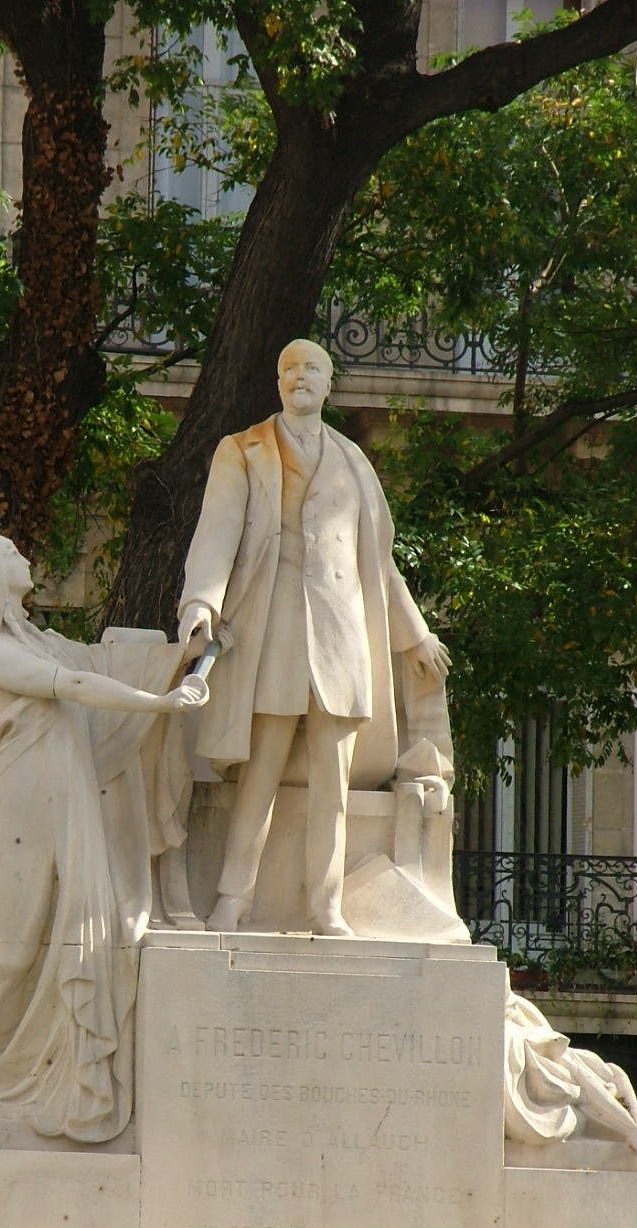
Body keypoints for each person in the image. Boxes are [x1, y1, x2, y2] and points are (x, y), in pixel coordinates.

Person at [0, 526, 207, 1143]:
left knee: (58, 942)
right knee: (5, 947)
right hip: (25, 802)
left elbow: (92, 663)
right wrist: (162, 705)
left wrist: (176, 660)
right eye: (10, 552)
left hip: (61, 798)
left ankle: (16, 1075)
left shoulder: (35, 638)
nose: (24, 555)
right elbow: (76, 686)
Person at [178, 339, 450, 937]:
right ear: (278, 384)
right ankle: (233, 896)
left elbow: (380, 564)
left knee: (334, 776)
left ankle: (324, 905)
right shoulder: (243, 450)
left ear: (330, 385)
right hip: (271, 626)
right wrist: (202, 603)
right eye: (289, 370)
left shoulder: (355, 462)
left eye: (312, 370)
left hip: (340, 634)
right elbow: (217, 532)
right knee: (263, 767)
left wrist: (415, 636)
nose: (300, 378)